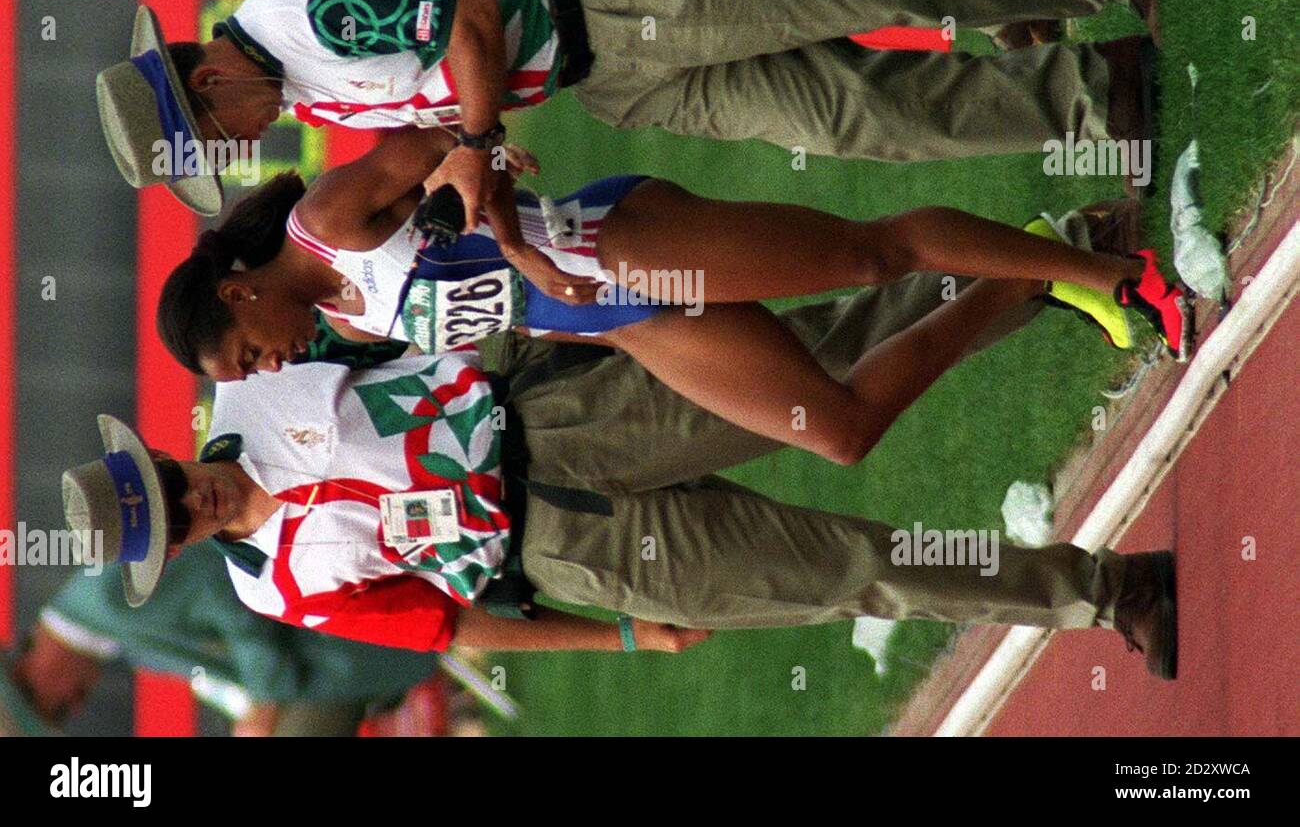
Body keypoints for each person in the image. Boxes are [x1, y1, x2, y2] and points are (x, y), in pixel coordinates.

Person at [61, 266, 1178, 679]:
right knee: (849, 576)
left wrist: (568, 316)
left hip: (571, 419)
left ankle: (1049, 261)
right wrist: (626, 636)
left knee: (826, 357)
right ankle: (1112, 593)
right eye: (177, 523)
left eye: (172, 485)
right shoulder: (277, 590)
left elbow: (387, 296)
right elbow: (451, 631)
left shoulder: (260, 389)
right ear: (183, 550)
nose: (193, 502)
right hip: (569, 550)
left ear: (165, 455)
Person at [93, 0, 1159, 217]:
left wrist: (473, 142)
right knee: (850, 118)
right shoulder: (304, 94)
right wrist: (455, 177)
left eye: (216, 134)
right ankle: (1092, 96)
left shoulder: (305, 14)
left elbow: (466, 20)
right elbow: (440, 117)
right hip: (606, 68)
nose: (240, 146)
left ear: (206, 80)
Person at [153, 129, 1188, 466]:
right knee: (838, 430)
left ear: (240, 294)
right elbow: (499, 307)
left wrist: (512, 231)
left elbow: (456, 144)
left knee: (873, 257)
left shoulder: (328, 220)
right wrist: (602, 332)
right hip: (627, 319)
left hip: (621, 247)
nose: (268, 372)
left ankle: (1120, 275)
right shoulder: (339, 318)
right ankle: (1043, 264)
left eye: (245, 357)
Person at [0, 545, 450, 736]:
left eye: (58, 710)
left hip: (323, 621)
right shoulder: (104, 627)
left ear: (25, 674)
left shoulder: (107, 599)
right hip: (313, 646)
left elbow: (231, 593)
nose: (77, 707)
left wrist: (263, 699)